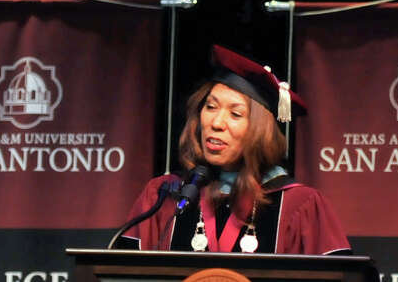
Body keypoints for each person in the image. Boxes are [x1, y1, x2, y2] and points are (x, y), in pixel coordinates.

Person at [121, 44, 350, 255]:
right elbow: (121, 273)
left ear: (261, 132)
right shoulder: (163, 196)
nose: (217, 123)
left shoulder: (300, 205)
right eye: (210, 107)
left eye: (235, 114)